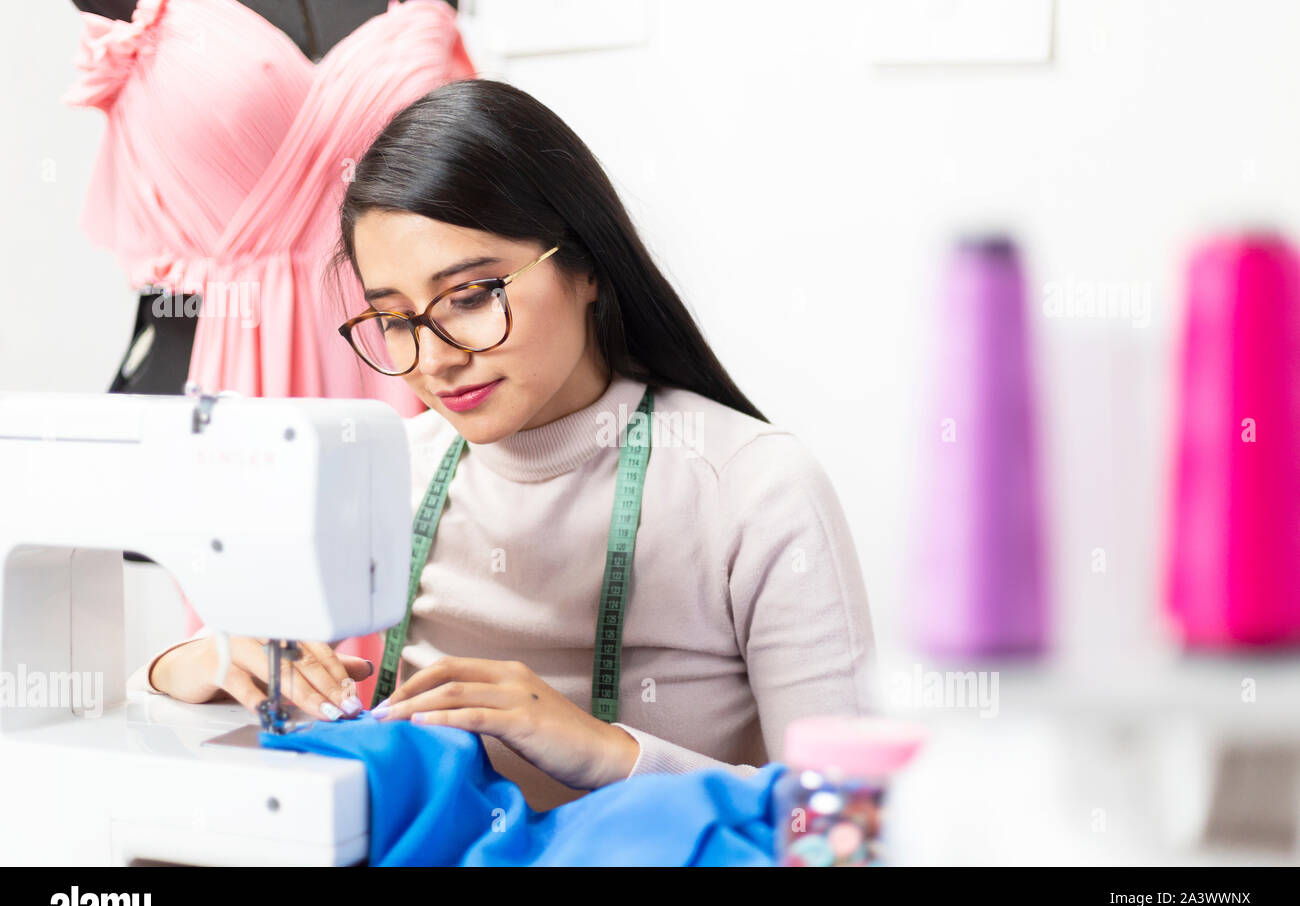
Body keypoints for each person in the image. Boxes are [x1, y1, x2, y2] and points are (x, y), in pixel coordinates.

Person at [136, 78, 878, 811]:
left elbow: (850, 824)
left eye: (470, 295)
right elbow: (184, 702)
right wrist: (198, 660)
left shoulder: (753, 487)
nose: (434, 359)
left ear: (585, 265)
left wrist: (609, 753)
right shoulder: (388, 468)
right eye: (394, 318)